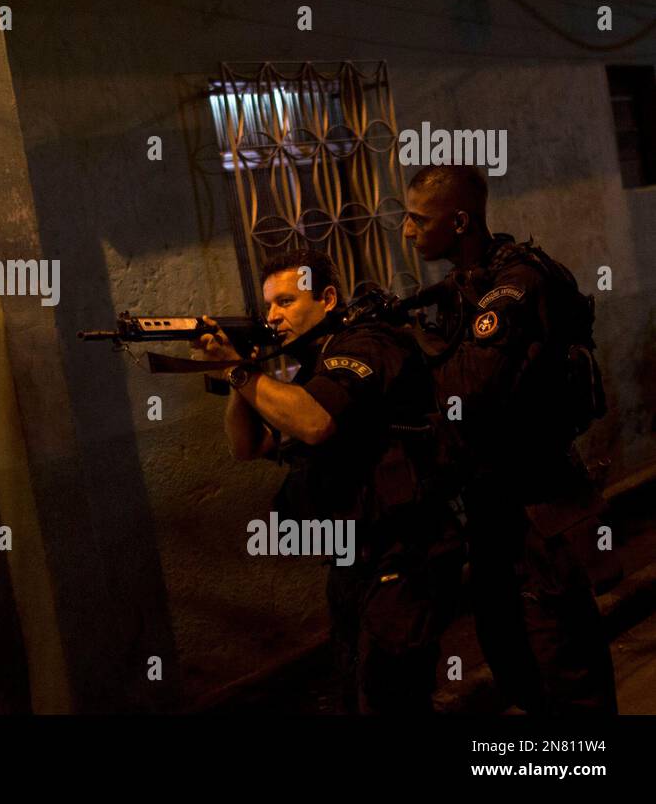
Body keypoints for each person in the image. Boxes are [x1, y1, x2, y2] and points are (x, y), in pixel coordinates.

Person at [196, 249, 460, 713]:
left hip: (405, 552)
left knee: (392, 696)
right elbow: (247, 446)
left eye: (287, 301)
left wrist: (239, 370)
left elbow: (315, 422)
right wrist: (242, 372)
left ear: (328, 298)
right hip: (356, 557)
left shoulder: (365, 346)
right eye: (269, 306)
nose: (274, 316)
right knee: (355, 690)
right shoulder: (315, 362)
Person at [402, 162, 617, 714]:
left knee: (564, 662)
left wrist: (411, 348)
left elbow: (468, 387)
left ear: (460, 221)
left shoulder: (517, 282)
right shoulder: (463, 287)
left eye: (417, 218)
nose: (407, 230)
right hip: (494, 507)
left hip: (539, 504)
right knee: (512, 659)